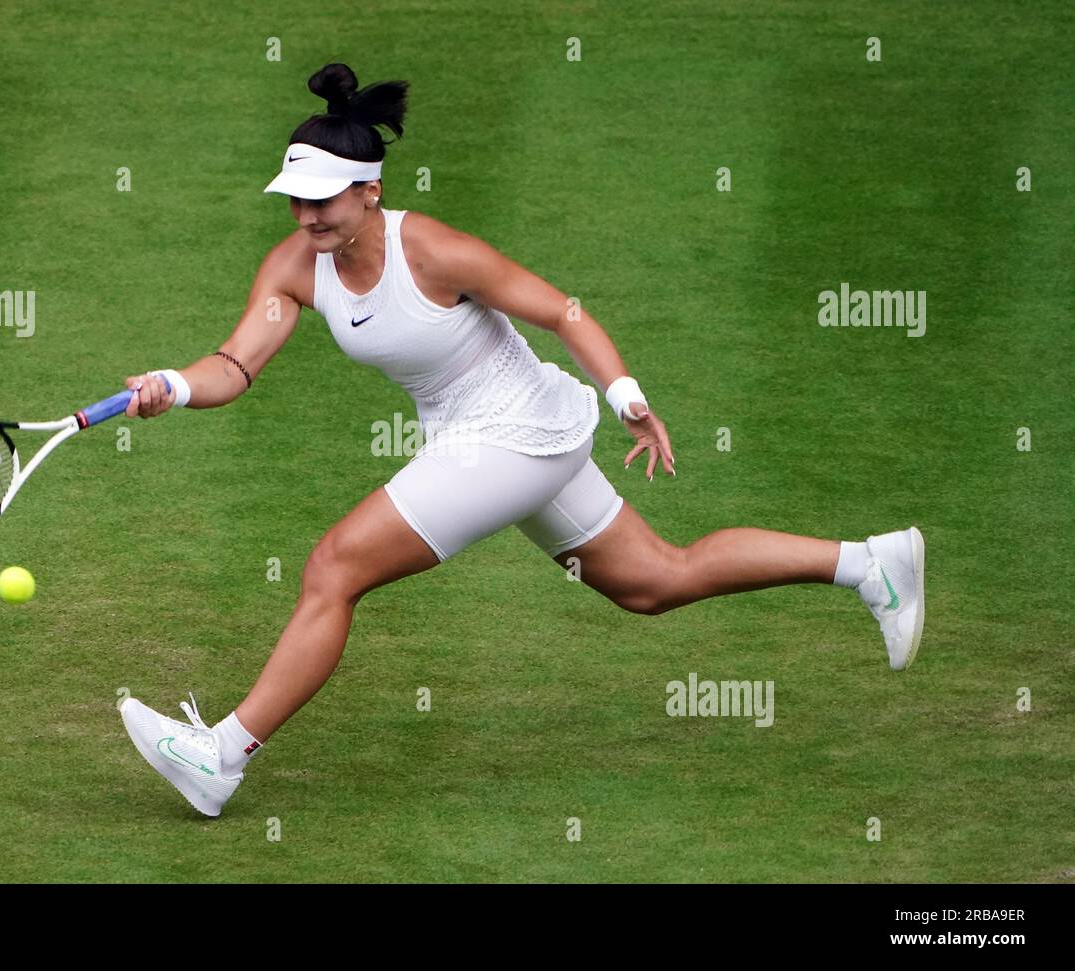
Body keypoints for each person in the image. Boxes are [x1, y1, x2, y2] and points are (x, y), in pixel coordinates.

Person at [117, 63, 926, 818]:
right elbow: (235, 361)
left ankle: (221, 754)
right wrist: (175, 386)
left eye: (323, 199)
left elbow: (561, 312)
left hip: (517, 431)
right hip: (492, 440)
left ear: (370, 191)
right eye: (296, 199)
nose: (306, 215)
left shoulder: (433, 250)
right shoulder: (296, 264)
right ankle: (870, 563)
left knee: (334, 566)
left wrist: (626, 395)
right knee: (654, 580)